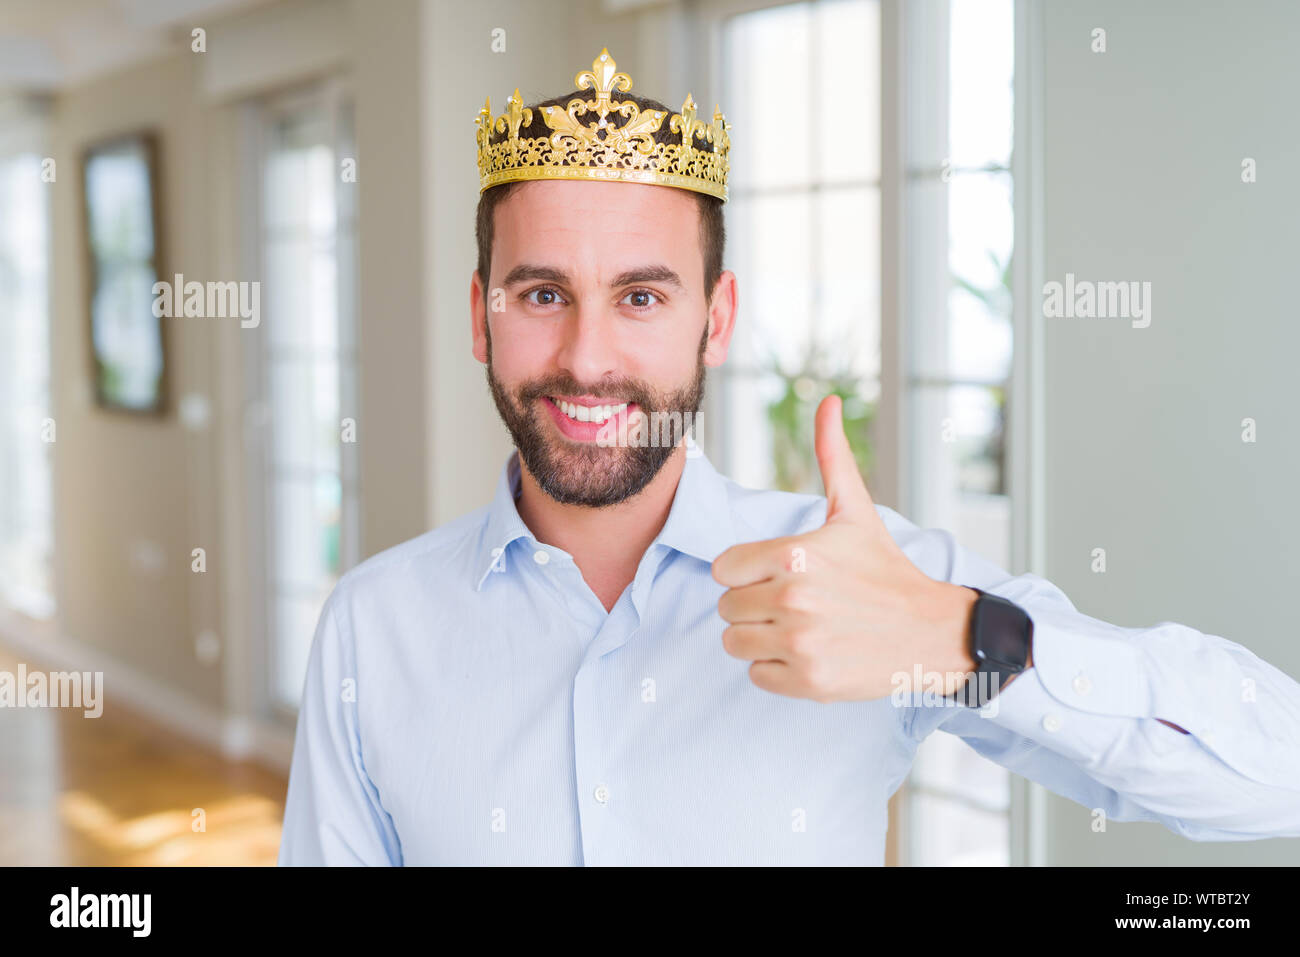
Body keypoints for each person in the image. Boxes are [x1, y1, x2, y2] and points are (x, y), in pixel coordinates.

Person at [278, 49, 1300, 865]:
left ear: (715, 321)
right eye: (543, 294)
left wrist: (951, 638)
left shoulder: (872, 585)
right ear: (481, 315)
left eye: (641, 297)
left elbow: (1275, 775)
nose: (587, 358)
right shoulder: (374, 628)